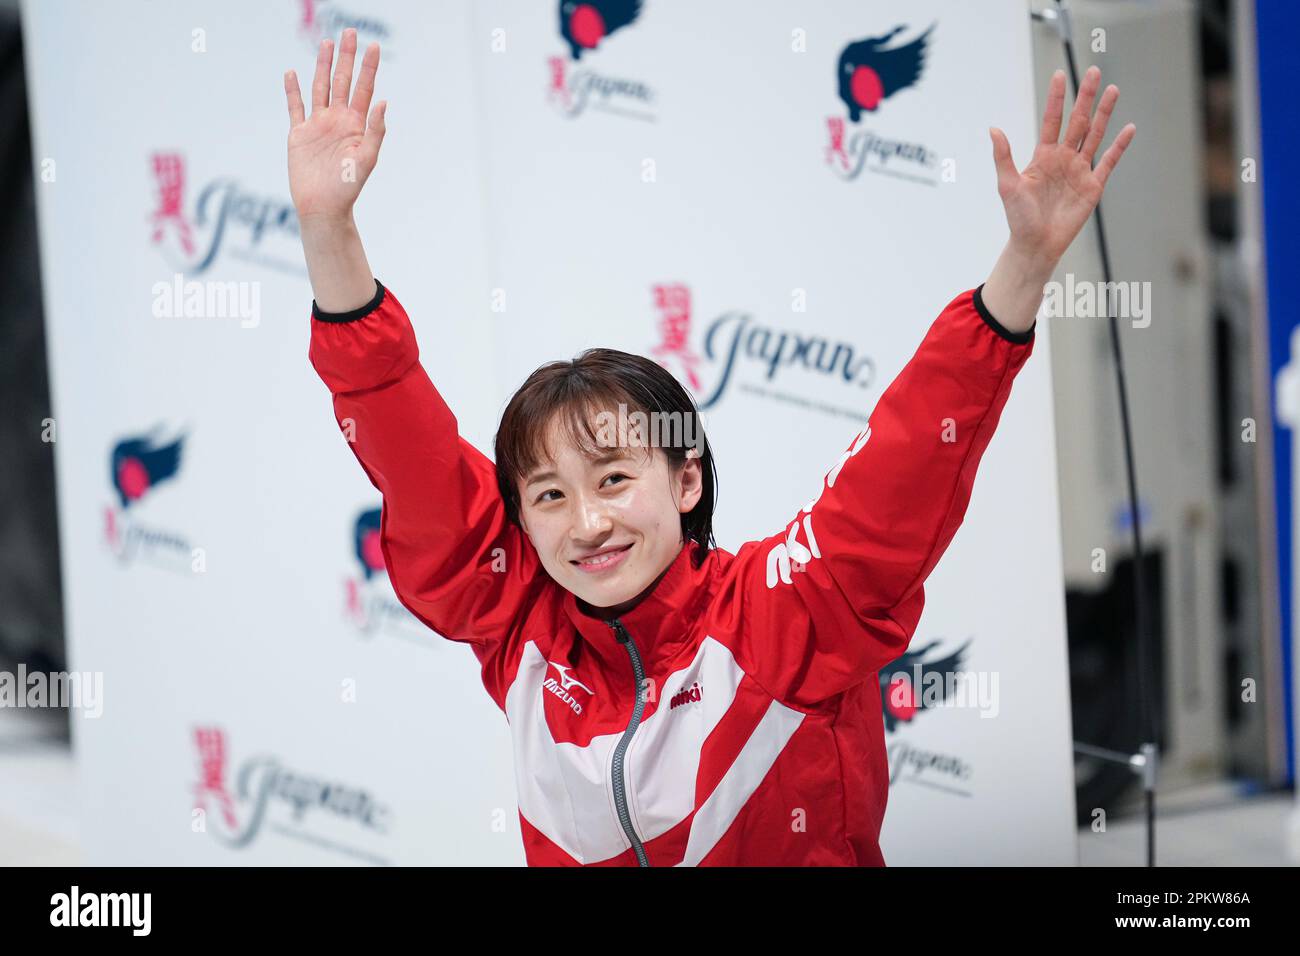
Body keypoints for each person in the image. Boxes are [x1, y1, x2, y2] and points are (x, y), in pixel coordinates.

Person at [285, 29, 1135, 866]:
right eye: (549, 495)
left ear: (685, 479)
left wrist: (1022, 268)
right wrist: (330, 233)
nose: (586, 522)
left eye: (614, 478)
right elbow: (408, 443)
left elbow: (907, 458)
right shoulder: (520, 627)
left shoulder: (782, 617)